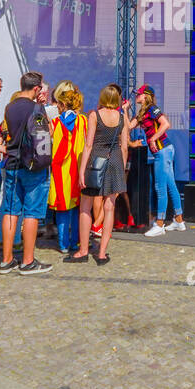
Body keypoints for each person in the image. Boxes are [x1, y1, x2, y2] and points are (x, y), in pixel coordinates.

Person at [0, 72, 53, 275]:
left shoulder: (10, 107)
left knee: (11, 211)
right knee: (31, 213)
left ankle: (6, 259)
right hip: (32, 165)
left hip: (12, 162)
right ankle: (28, 261)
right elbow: (46, 134)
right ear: (37, 89)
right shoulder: (36, 108)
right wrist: (42, 107)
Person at [67, 85, 128, 266]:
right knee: (109, 208)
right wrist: (121, 169)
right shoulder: (122, 118)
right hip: (115, 161)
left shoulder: (94, 115)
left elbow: (88, 145)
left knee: (85, 207)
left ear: (102, 98)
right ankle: (101, 253)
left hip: (96, 162)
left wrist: (81, 171)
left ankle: (84, 251)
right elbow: (124, 146)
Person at [136, 85, 185, 236]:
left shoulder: (152, 108)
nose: (136, 96)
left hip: (162, 151)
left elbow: (166, 124)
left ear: (145, 96)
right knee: (170, 185)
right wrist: (124, 110)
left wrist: (152, 139)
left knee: (160, 187)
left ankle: (159, 224)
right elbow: (130, 125)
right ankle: (179, 220)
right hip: (163, 151)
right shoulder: (142, 113)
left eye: (138, 94)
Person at [48, 81, 87, 254]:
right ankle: (75, 242)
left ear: (63, 105)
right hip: (78, 170)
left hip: (59, 170)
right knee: (78, 208)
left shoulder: (55, 123)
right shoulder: (83, 121)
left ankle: (63, 244)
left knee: (62, 209)